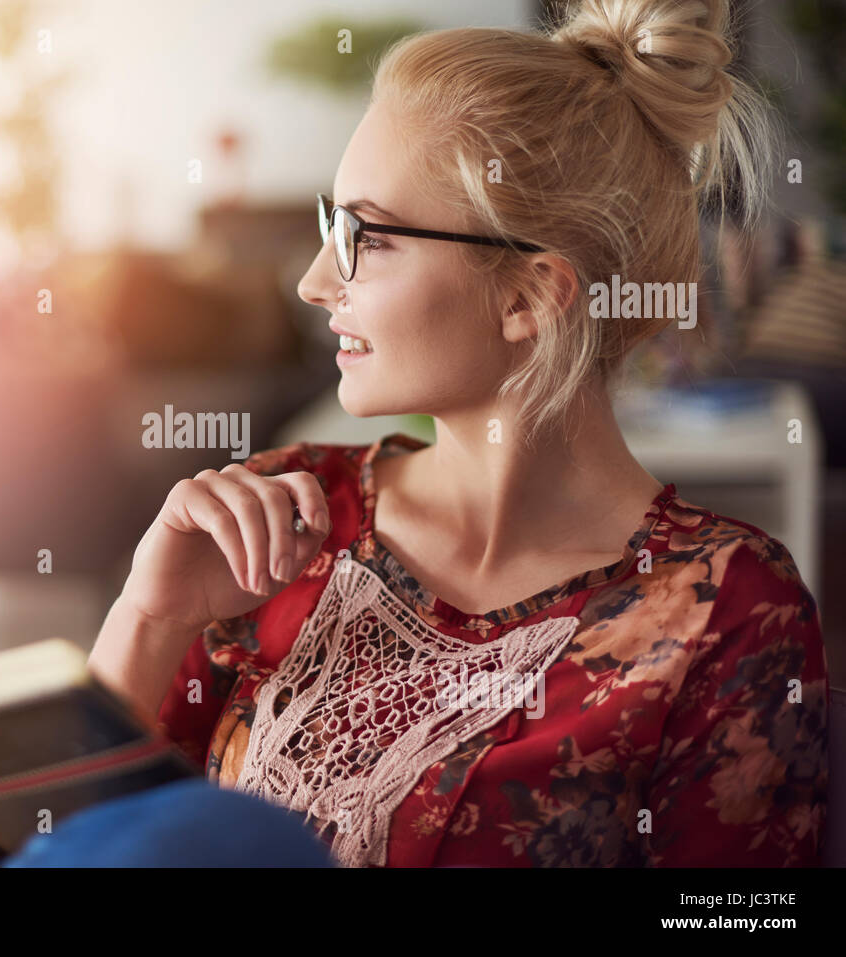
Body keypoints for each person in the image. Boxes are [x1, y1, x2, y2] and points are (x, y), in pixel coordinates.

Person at [80, 0, 829, 867]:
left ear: (528, 296)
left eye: (365, 236)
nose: (316, 281)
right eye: (332, 225)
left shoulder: (728, 611)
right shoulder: (279, 517)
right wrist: (150, 615)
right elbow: (69, 845)